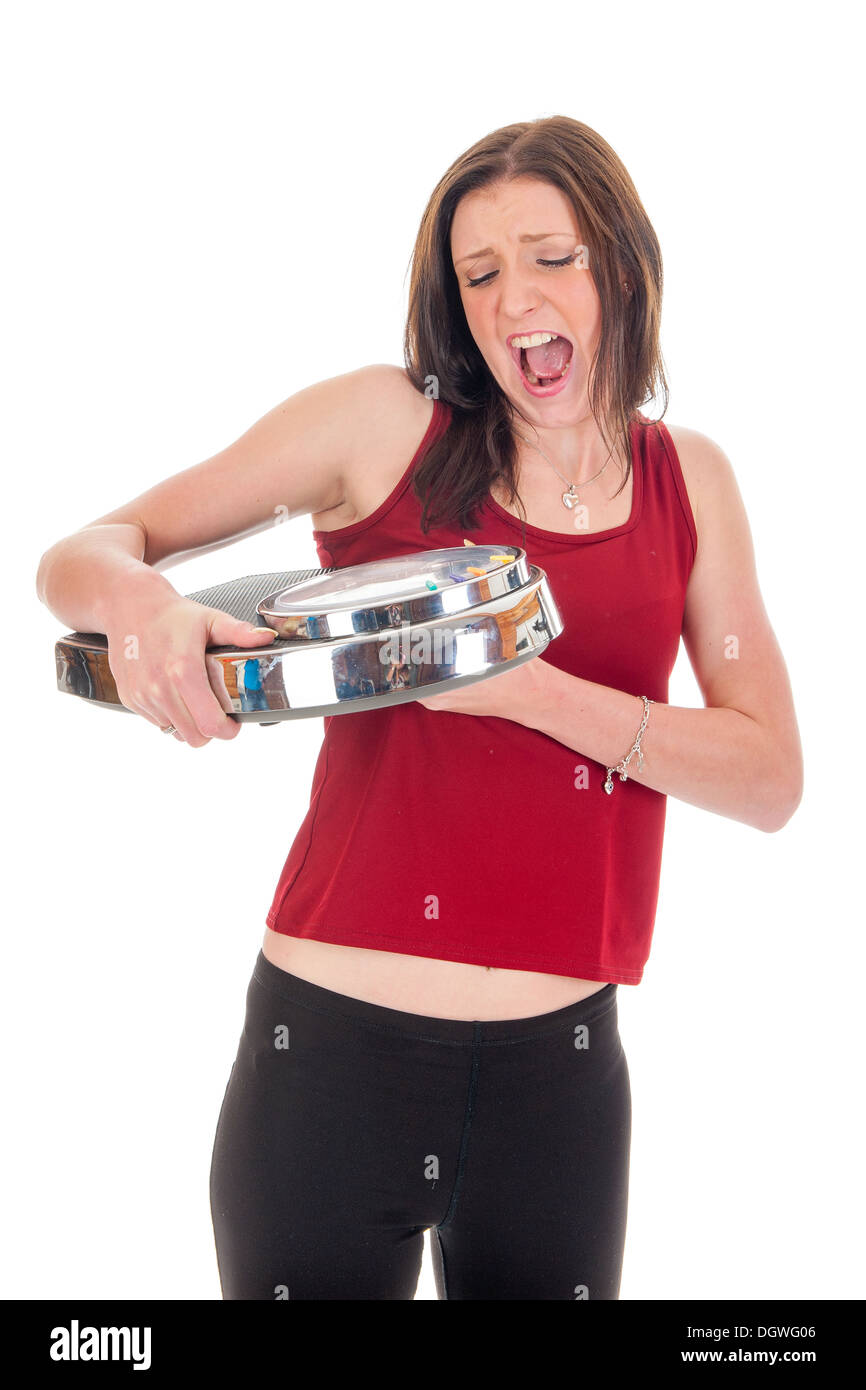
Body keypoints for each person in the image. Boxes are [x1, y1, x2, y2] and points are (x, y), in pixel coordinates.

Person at [35, 115, 803, 1301]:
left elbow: (767, 779)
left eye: (550, 257)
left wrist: (529, 694)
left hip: (564, 1076)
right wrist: (142, 606)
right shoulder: (382, 426)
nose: (512, 300)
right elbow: (82, 552)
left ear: (622, 263)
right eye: (479, 272)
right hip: (329, 1056)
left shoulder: (688, 480)